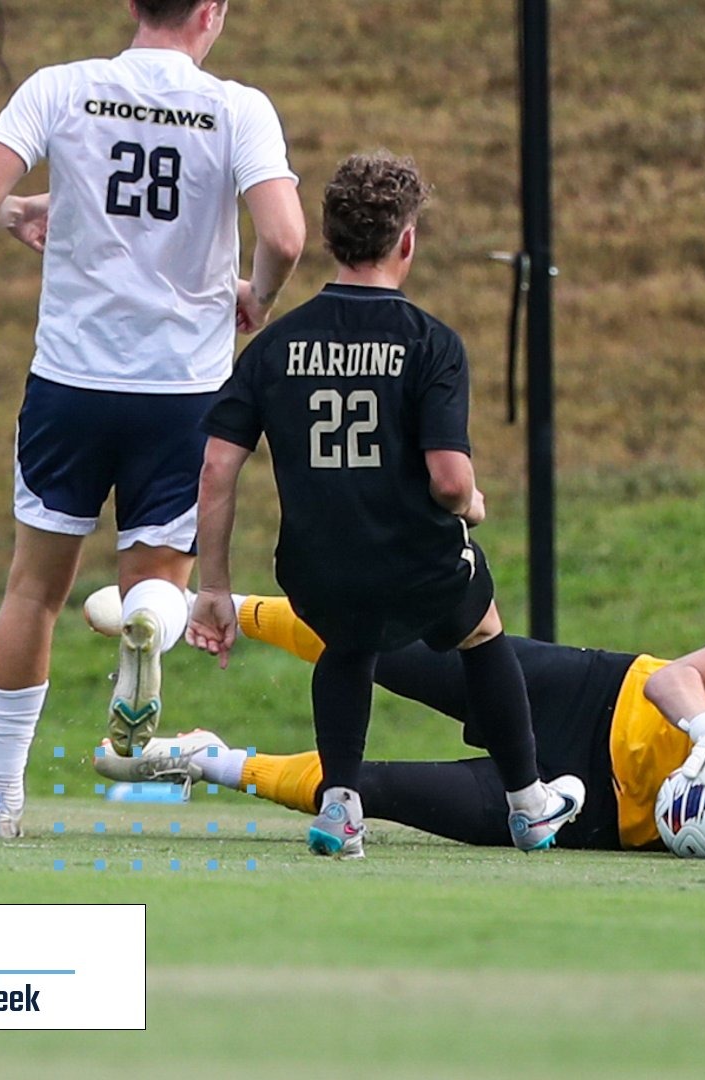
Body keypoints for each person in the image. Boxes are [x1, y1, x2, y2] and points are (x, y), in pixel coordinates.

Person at [0, 0, 306, 839]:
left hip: (71, 380)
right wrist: (257, 295)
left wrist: (16, 213)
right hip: (181, 387)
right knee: (157, 588)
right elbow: (285, 235)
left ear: (132, 6)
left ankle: (0, 799)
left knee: (33, 590)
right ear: (211, 12)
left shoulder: (62, 87)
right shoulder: (236, 107)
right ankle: (144, 630)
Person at [169, 152, 583, 860]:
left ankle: (339, 805)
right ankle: (528, 804)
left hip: (314, 569)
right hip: (414, 564)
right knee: (482, 629)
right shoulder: (430, 343)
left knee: (346, 639)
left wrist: (211, 587)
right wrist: (473, 503)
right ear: (407, 242)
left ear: (329, 240)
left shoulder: (273, 348)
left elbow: (216, 466)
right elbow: (450, 482)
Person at [129, 596, 705, 858]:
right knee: (391, 643)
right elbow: (682, 678)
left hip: (592, 815)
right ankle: (217, 611)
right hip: (594, 695)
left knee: (382, 790)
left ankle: (215, 761)